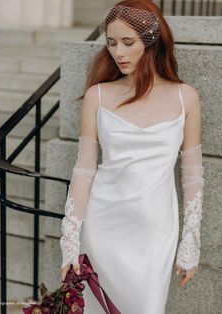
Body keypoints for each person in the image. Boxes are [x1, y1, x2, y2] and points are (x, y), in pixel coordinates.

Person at [59, 0, 205, 313]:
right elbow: (85, 169)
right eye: (111, 43)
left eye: (128, 42)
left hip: (155, 229)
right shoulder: (98, 95)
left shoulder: (186, 97)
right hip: (102, 225)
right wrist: (70, 240)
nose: (118, 53)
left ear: (152, 41)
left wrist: (190, 243)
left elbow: (192, 174)